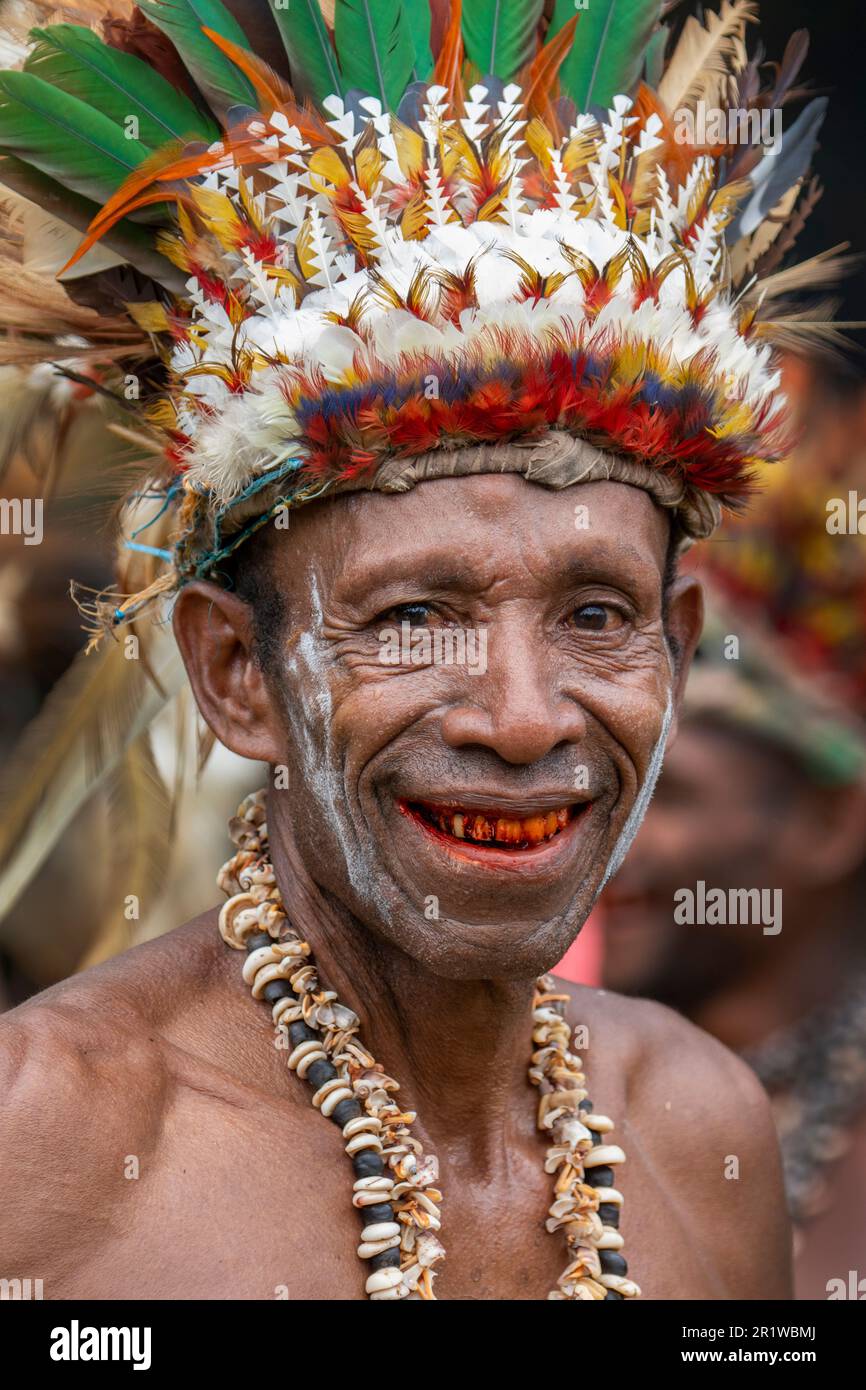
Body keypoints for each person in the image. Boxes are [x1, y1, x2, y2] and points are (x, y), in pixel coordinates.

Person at [0, 0, 831, 1300]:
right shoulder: (47, 1146)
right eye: (409, 617)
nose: (518, 715)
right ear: (237, 674)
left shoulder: (694, 1124)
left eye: (595, 616)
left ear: (674, 645)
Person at [602, 367, 866, 1298]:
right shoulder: (545, 1109)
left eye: (667, 798)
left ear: (834, 820)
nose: (607, 850)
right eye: (608, 797)